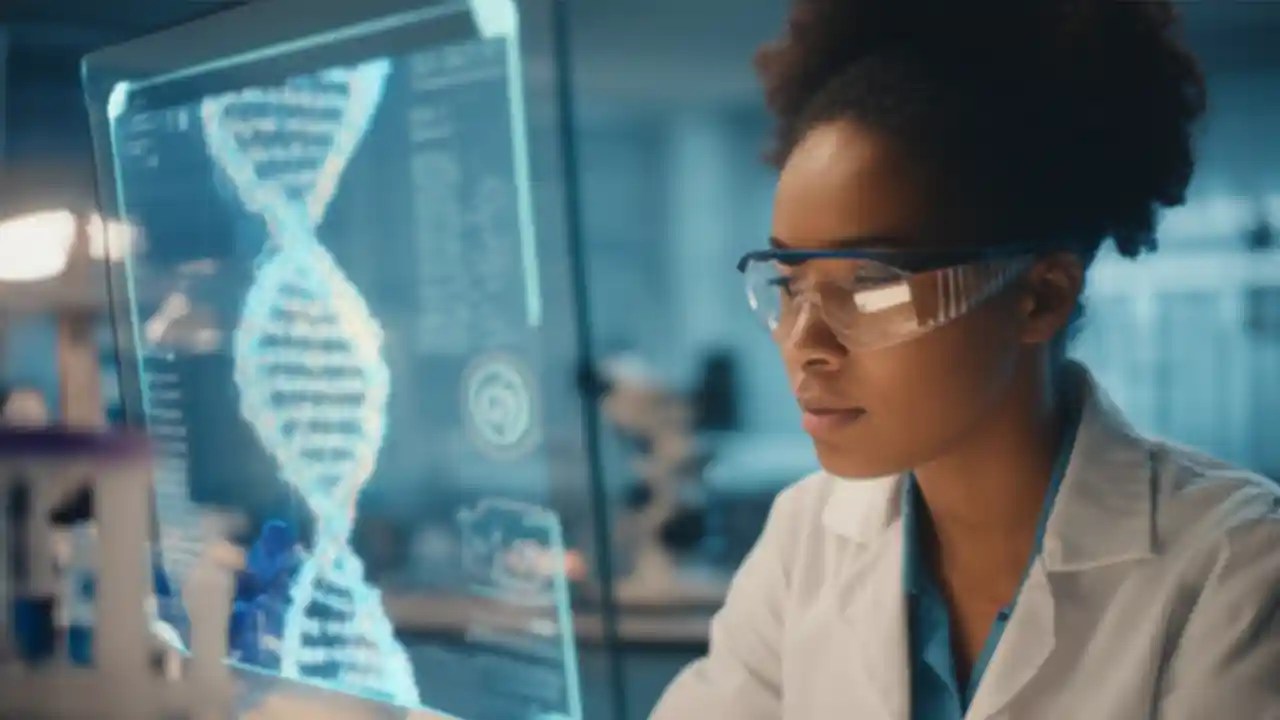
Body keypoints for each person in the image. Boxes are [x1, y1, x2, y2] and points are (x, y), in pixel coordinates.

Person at [651, 1, 1280, 719]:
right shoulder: (807, 536)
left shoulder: (1233, 564)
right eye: (791, 285)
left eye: (873, 284)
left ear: (1039, 298)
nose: (805, 344)